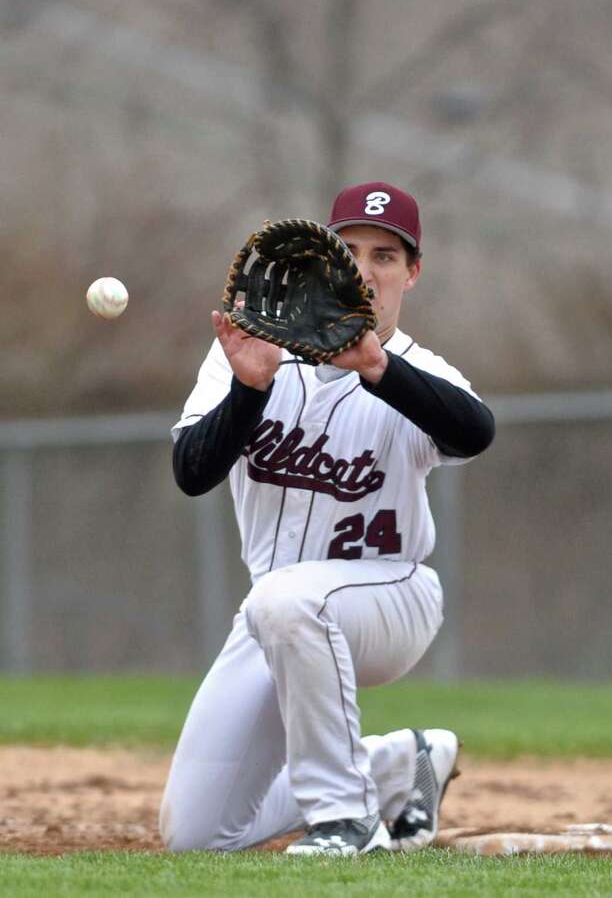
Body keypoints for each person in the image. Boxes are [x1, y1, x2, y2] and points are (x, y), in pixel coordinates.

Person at [160, 181, 495, 856]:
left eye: (385, 256)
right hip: (272, 616)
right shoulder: (251, 351)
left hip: (391, 598)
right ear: (323, 262)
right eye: (350, 252)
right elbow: (192, 472)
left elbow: (474, 432)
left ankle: (346, 817)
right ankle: (397, 764)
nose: (365, 270)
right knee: (196, 833)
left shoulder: (417, 370)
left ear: (412, 273)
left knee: (289, 600)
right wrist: (249, 388)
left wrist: (377, 365)